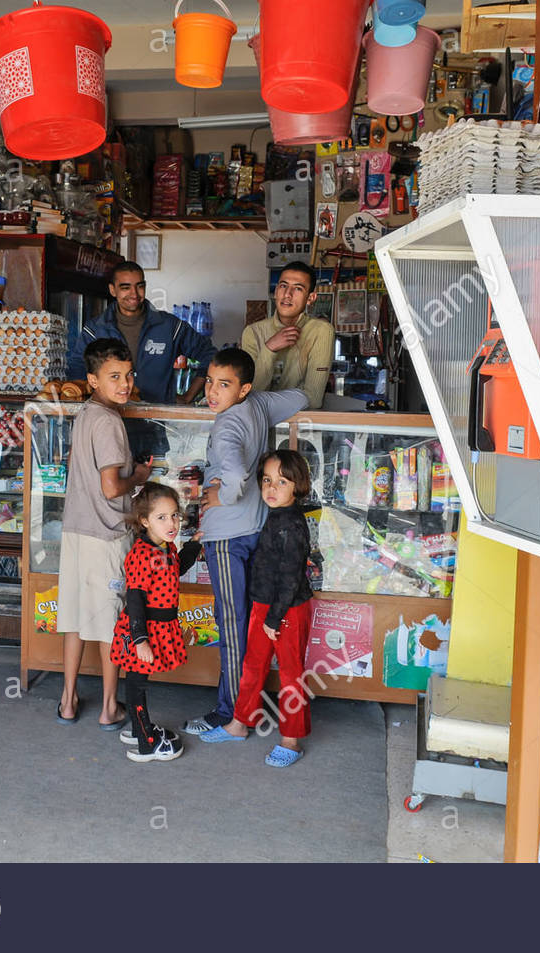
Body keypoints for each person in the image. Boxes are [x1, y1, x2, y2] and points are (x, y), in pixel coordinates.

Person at [182, 347, 307, 737]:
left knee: (233, 626)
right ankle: (242, 708)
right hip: (255, 529)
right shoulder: (257, 405)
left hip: (226, 536)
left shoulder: (226, 427)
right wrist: (256, 398)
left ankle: (229, 714)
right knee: (247, 624)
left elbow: (234, 475)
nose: (213, 393)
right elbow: (300, 397)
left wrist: (221, 495)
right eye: (211, 382)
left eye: (225, 385)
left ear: (243, 386)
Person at [56, 338, 152, 729]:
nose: (124, 384)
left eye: (128, 375)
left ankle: (67, 700)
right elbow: (112, 487)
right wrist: (141, 477)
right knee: (113, 623)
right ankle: (109, 707)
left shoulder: (85, 414)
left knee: (77, 619)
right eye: (114, 377)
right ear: (92, 380)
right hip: (106, 535)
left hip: (75, 531)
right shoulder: (111, 422)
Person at [200, 450, 315, 767]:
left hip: (286, 610)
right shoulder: (273, 516)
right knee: (253, 666)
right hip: (264, 606)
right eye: (266, 480)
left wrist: (274, 618)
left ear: (297, 485)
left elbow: (291, 577)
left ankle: (290, 740)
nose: (271, 488)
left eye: (281, 481)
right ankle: (239, 723)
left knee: (291, 675)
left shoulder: (292, 525)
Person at [109, 483, 201, 763]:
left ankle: (140, 729)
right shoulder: (141, 554)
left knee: (139, 683)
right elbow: (135, 599)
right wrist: (140, 640)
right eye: (161, 517)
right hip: (144, 629)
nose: (171, 523)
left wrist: (195, 543)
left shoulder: (167, 548)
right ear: (144, 521)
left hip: (160, 628)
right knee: (136, 686)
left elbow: (176, 568)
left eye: (174, 515)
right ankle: (147, 742)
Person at [66, 261, 217, 404]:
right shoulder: (95, 330)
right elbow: (77, 369)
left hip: (156, 423)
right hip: (110, 419)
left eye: (139, 286)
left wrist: (188, 396)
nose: (134, 294)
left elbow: (210, 355)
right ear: (113, 290)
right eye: (125, 287)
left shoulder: (169, 326)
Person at [240, 260, 335, 409]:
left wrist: (265, 400)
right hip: (257, 426)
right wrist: (270, 348)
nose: (287, 295)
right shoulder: (253, 332)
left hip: (301, 426)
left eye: (297, 289)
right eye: (283, 286)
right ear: (276, 291)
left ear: (310, 298)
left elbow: (313, 399)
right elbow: (248, 395)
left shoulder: (321, 331)